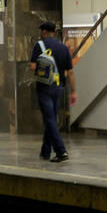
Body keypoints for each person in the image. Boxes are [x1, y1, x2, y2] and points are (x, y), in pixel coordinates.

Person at [29, 21, 76, 163]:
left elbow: (32, 66)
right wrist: (73, 91)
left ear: (43, 32)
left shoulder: (40, 45)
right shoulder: (63, 47)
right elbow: (71, 72)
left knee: (49, 119)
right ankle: (45, 151)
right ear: (54, 32)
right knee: (51, 119)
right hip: (59, 88)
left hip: (44, 88)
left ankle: (61, 152)